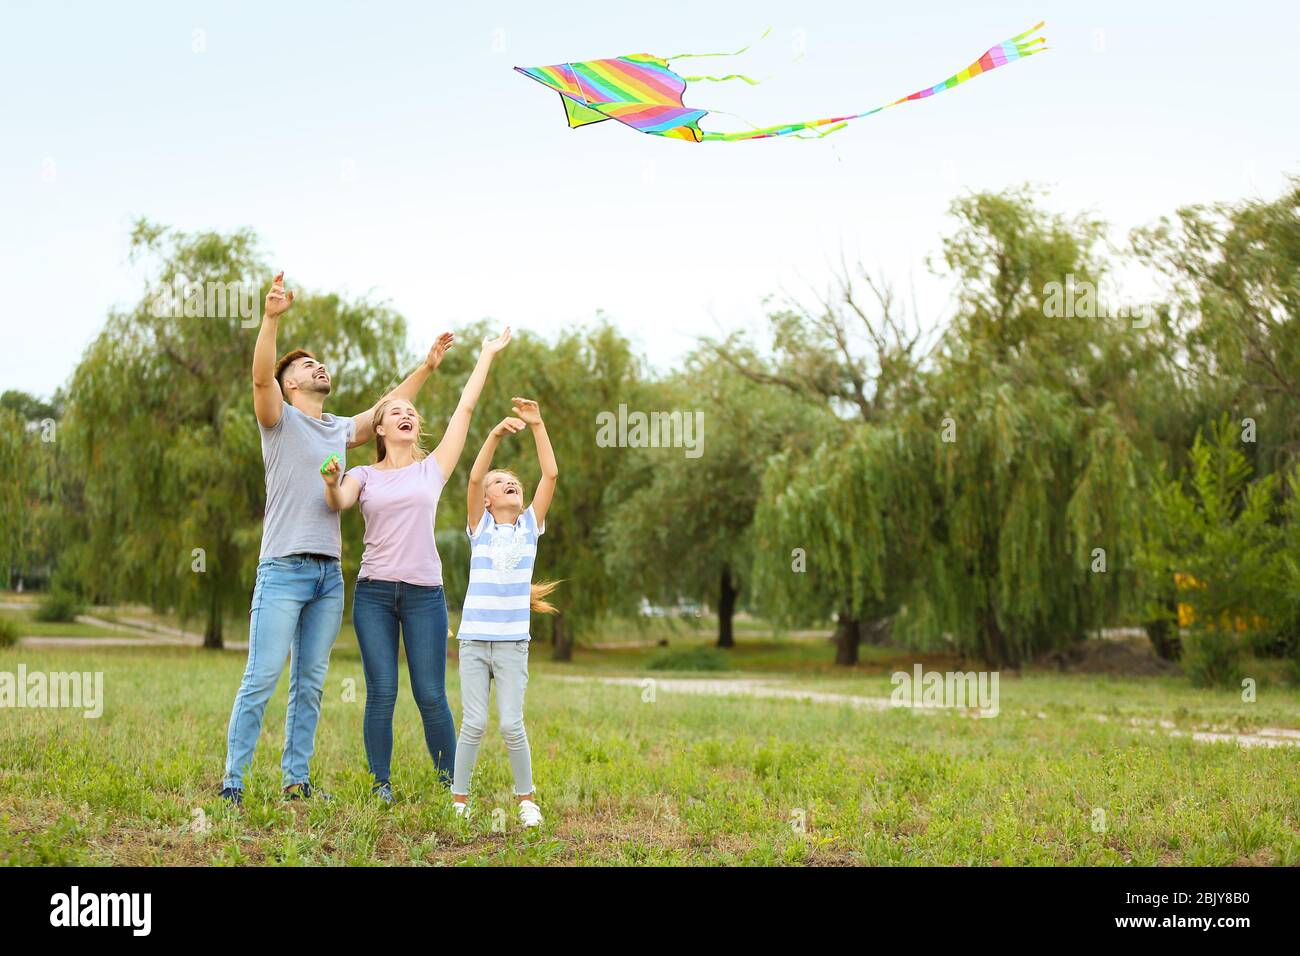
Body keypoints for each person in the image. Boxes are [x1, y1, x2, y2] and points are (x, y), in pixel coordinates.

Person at [220, 271, 453, 805]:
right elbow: (259, 380)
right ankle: (233, 782)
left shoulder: (336, 429)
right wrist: (271, 318)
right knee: (261, 677)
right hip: (281, 568)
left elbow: (385, 412)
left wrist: (426, 367)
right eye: (306, 366)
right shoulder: (276, 419)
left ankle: (295, 781)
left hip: (327, 575)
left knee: (311, 683)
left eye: (318, 363)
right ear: (290, 386)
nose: (317, 367)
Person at [320, 329, 513, 804]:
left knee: (431, 695)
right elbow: (338, 501)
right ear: (379, 430)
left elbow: (464, 409)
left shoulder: (433, 469)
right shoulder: (361, 475)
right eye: (395, 412)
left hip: (426, 595)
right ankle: (381, 786)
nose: (406, 414)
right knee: (382, 691)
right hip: (375, 595)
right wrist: (329, 481)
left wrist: (485, 354)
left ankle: (453, 786)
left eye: (411, 411)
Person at [452, 397, 558, 828]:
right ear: (489, 500)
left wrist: (537, 424)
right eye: (502, 482)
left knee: (513, 724)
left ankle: (526, 800)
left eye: (513, 480)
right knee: (473, 723)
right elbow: (475, 476)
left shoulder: (531, 526)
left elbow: (550, 473)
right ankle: (459, 800)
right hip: (474, 642)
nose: (508, 482)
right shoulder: (480, 528)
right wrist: (494, 434)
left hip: (513, 643)